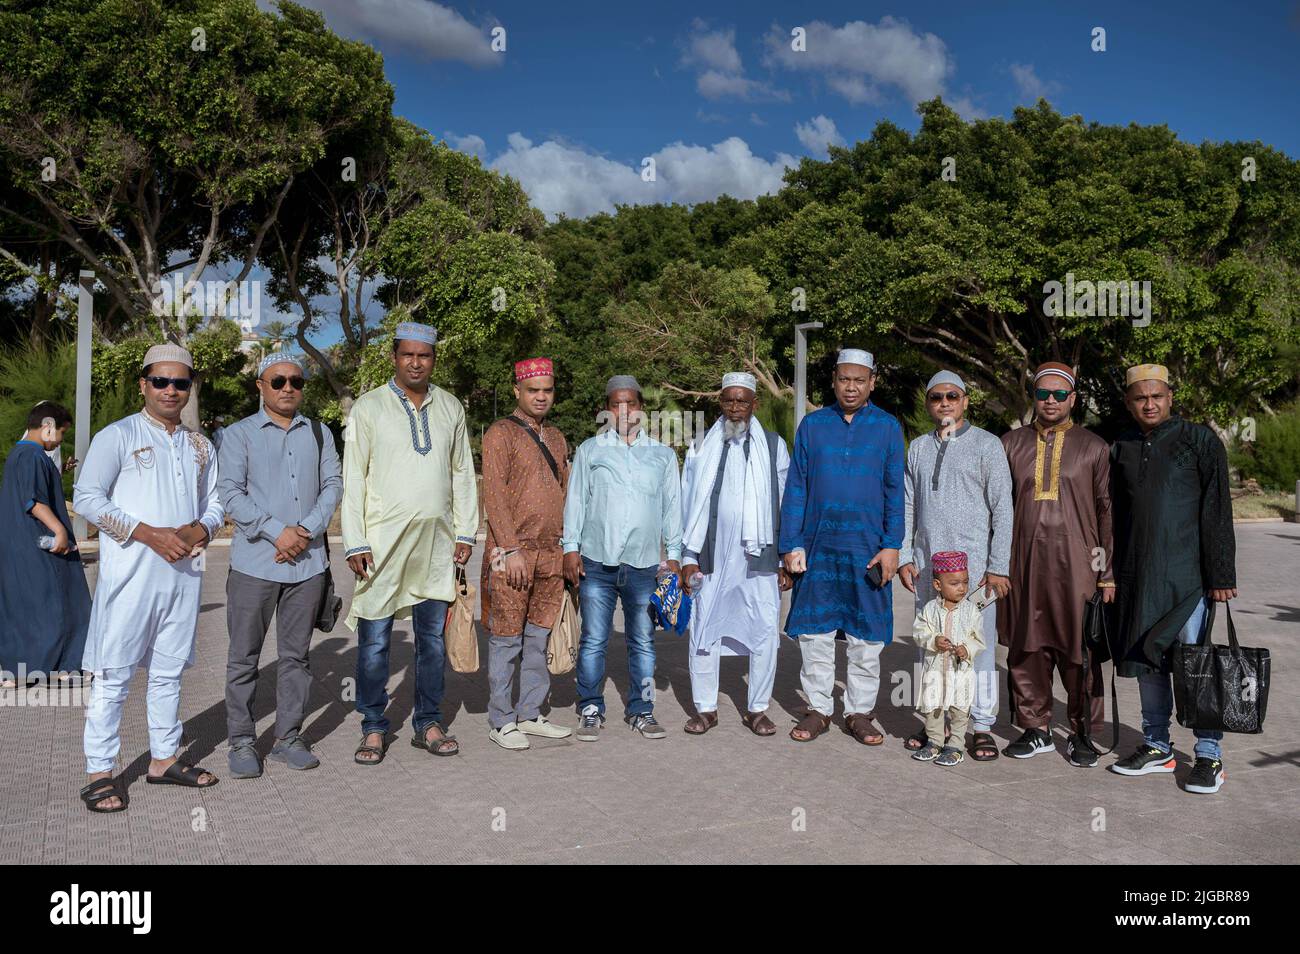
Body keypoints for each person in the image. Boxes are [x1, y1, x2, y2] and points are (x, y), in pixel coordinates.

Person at [73, 344, 224, 814]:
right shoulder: (116, 436)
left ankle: (163, 759)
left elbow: (216, 503)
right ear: (143, 384)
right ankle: (100, 771)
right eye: (161, 381)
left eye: (181, 382)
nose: (171, 390)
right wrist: (148, 533)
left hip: (183, 580)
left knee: (168, 673)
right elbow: (88, 499)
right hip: (130, 580)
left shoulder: (200, 445)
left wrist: (201, 528)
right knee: (114, 676)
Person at [341, 322, 478, 764]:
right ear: (394, 357)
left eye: (425, 355)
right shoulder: (369, 407)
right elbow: (354, 479)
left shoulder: (450, 407)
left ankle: (428, 722)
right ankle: (374, 727)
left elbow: (461, 472)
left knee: (432, 643)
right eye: (408, 355)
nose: (416, 362)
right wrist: (355, 540)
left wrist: (465, 531)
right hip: (381, 546)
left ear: (434, 359)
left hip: (437, 547)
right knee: (375, 641)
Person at [1108, 364, 1237, 794]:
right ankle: (1156, 745)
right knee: (1149, 659)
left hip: (1189, 580)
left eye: (1156, 396)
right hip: (1139, 576)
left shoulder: (1199, 440)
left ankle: (1208, 755)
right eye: (1140, 398)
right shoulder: (1122, 446)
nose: (1149, 404)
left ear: (1170, 396)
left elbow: (1218, 509)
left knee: (1195, 665)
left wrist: (1221, 573)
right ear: (1129, 402)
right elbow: (1116, 516)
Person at [217, 353, 343, 778]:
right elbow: (230, 493)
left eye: (295, 381)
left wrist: (304, 531)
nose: (288, 388)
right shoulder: (238, 435)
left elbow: (333, 485)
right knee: (243, 659)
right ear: (260, 386)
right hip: (256, 564)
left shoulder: (321, 433)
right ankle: (242, 741)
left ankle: (288, 737)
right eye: (278, 381)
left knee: (296, 658)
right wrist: (276, 531)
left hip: (306, 567)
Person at [781, 348, 905, 745]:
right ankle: (818, 708)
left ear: (872, 382)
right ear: (833, 380)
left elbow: (893, 492)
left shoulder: (887, 428)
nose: (850, 387)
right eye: (843, 379)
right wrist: (790, 543)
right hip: (818, 547)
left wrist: (891, 546)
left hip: (867, 549)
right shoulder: (813, 426)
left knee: (865, 637)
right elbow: (796, 487)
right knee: (815, 634)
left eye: (859, 380)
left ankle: (859, 711)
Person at [998, 361, 1114, 767]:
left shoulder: (1095, 447)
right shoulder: (1010, 444)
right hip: (1023, 563)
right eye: (1043, 394)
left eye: (1059, 394)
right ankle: (1035, 729)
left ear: (1073, 399)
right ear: (1033, 397)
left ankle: (1082, 732)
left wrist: (1107, 572)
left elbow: (1105, 512)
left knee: (1080, 649)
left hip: (1078, 567)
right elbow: (995, 508)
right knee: (1026, 646)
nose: (1051, 400)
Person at [898, 370, 1012, 762]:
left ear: (964, 401)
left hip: (975, 575)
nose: (944, 403)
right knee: (930, 648)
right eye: (935, 397)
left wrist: (998, 566)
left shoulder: (987, 445)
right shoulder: (917, 448)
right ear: (928, 403)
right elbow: (908, 506)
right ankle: (934, 722)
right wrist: (904, 556)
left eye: (951, 396)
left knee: (975, 650)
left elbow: (1003, 509)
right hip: (929, 571)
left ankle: (980, 727)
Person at [563, 375, 682, 741]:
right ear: (607, 409)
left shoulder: (662, 456)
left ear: (642, 408)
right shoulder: (590, 451)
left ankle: (642, 711)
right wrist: (570, 548)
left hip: (644, 566)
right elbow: (577, 502)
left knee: (643, 642)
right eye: (616, 404)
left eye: (631, 403)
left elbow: (671, 508)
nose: (624, 411)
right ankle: (590, 708)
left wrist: (674, 555)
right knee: (594, 640)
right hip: (597, 564)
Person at [679, 372, 791, 736]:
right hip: (710, 556)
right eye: (729, 400)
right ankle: (705, 708)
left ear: (754, 404)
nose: (735, 407)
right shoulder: (701, 446)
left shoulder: (774, 446)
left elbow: (786, 503)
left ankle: (757, 708)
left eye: (742, 401)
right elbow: (686, 503)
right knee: (704, 627)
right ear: (721, 402)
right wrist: (687, 556)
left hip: (759, 559)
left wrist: (785, 558)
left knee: (762, 629)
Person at [480, 357, 573, 750]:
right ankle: (501, 720)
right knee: (506, 638)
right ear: (517, 391)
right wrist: (510, 547)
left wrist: (570, 548)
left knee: (538, 636)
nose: (540, 397)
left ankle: (531, 713)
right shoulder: (500, 433)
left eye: (547, 391)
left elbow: (567, 493)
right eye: (533, 390)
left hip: (552, 553)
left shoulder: (556, 437)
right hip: (511, 553)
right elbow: (494, 494)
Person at [0, 402, 90, 687]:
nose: (61, 439)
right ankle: (68, 666)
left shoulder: (20, 455)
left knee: (23, 606)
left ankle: (18, 671)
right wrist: (59, 531)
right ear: (48, 426)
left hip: (18, 544)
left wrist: (58, 470)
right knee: (70, 601)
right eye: (62, 432)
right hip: (42, 543)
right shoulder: (33, 456)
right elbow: (33, 501)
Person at [911, 551, 985, 767]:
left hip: (960, 673)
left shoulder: (972, 611)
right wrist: (934, 640)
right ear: (937, 585)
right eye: (954, 583)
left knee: (959, 710)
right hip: (935, 671)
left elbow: (978, 639)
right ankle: (934, 742)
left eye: (965, 582)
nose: (961, 588)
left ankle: (955, 746)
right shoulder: (930, 609)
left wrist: (966, 649)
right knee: (933, 707)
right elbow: (919, 632)